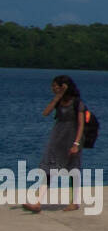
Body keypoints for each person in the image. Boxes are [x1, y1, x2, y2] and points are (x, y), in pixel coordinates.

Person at [24, 74, 86, 213]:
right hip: (57, 138)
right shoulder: (58, 101)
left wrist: (76, 144)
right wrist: (58, 96)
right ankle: (38, 202)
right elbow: (45, 113)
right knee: (49, 170)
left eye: (55, 86)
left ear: (64, 86)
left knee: (73, 171)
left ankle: (74, 202)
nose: (53, 88)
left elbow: (81, 125)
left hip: (72, 139)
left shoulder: (77, 103)